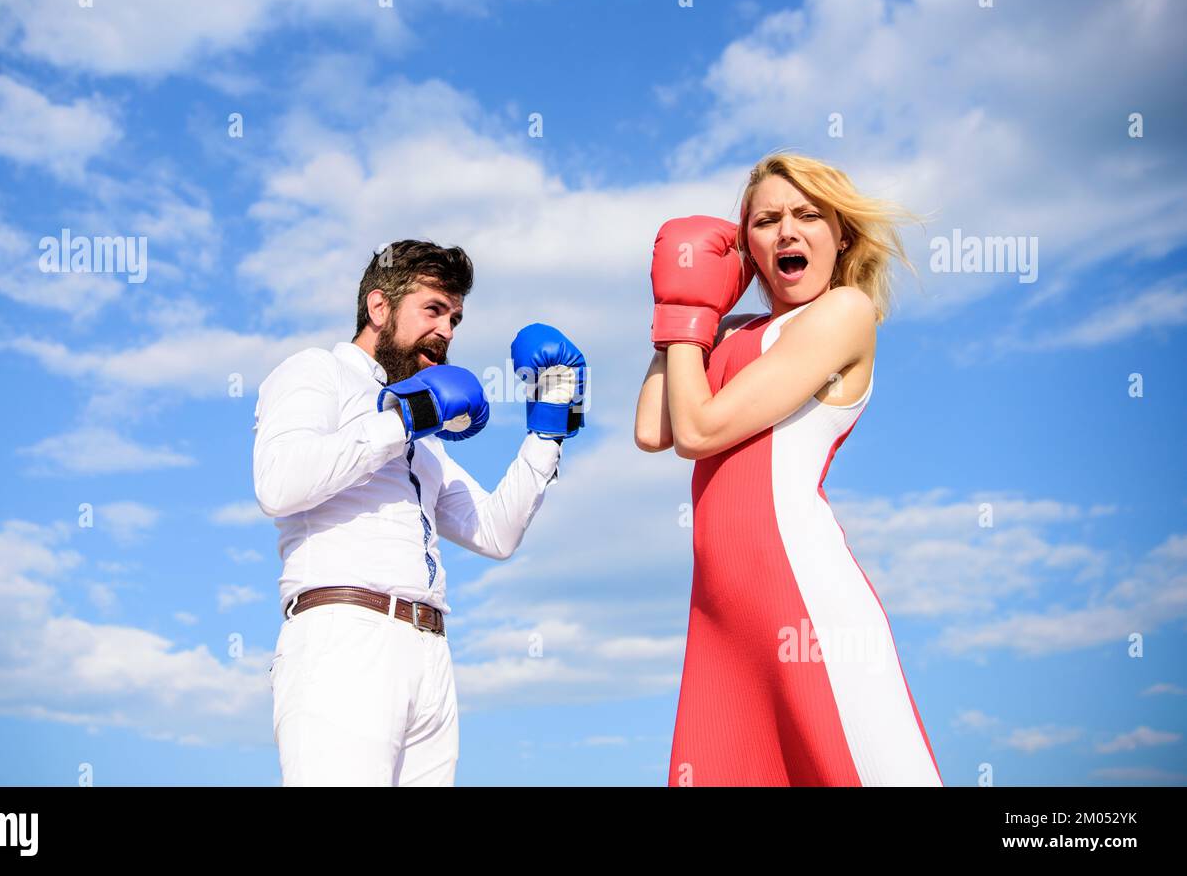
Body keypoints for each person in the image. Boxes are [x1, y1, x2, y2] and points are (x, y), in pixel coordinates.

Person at [635, 152, 943, 786]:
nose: (789, 231)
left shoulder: (843, 313)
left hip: (803, 602)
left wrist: (690, 323)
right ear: (747, 243)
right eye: (767, 220)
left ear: (841, 234)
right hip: (719, 619)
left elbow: (698, 430)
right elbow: (653, 429)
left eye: (808, 215)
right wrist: (682, 311)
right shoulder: (725, 333)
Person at [254, 240, 586, 786]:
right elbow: (279, 481)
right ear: (379, 308)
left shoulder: (422, 437)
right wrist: (409, 417)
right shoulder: (317, 372)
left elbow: (495, 533)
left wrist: (547, 430)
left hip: (430, 650)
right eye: (433, 309)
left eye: (454, 317)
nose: (448, 331)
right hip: (345, 637)